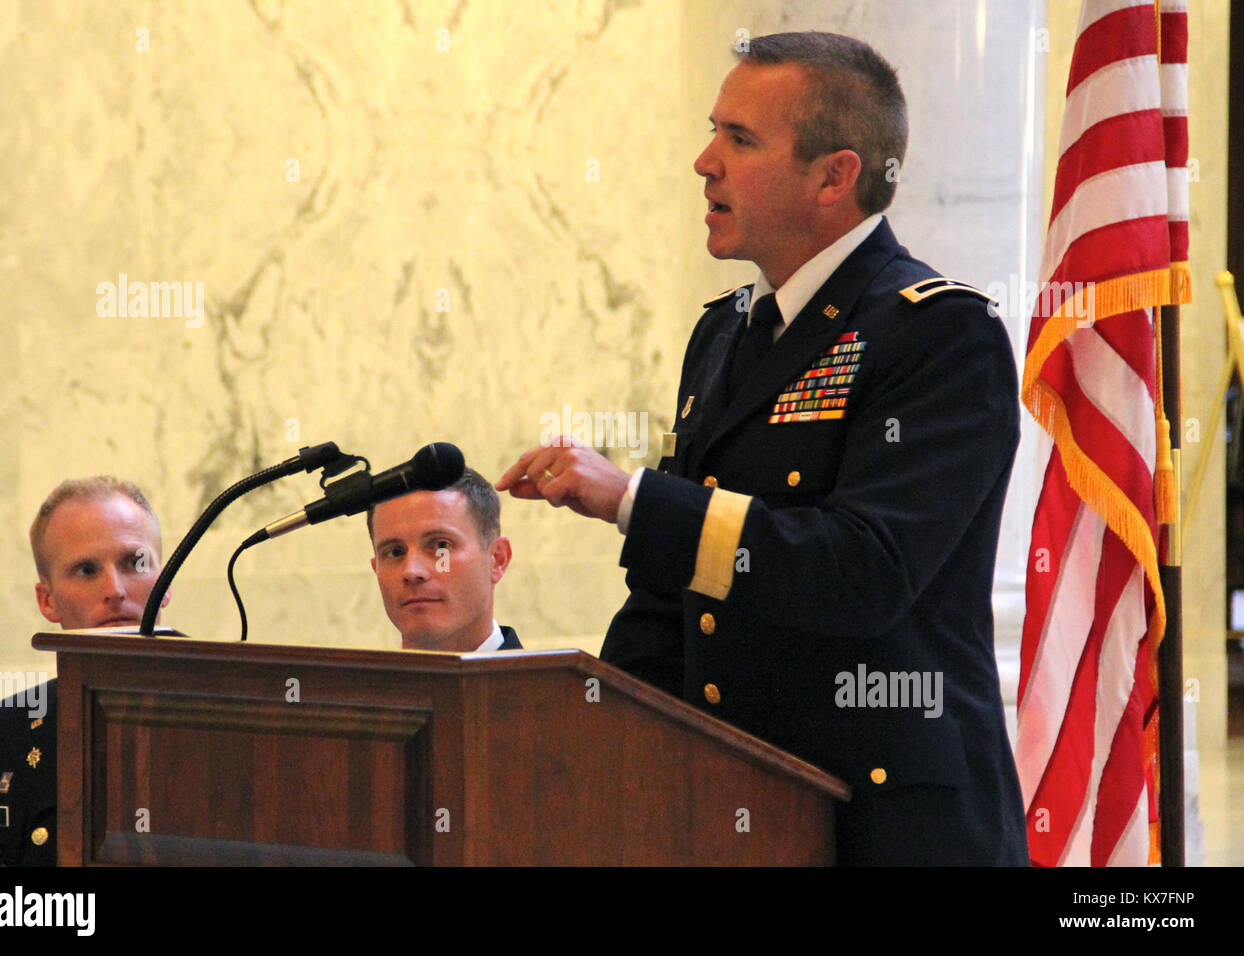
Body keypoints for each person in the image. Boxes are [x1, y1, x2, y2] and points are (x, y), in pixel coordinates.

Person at [497, 31, 1027, 865]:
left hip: (883, 820)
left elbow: (865, 572)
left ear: (834, 175)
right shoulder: (727, 334)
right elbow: (679, 598)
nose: (704, 161)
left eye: (739, 139)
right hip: (733, 804)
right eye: (713, 130)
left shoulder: (936, 330)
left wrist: (633, 499)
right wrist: (576, 731)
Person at [0, 476, 170, 865]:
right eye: (86, 570)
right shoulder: (1, 733)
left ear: (166, 584)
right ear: (47, 601)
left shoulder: (231, 714)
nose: (115, 589)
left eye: (136, 563)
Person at [368, 467, 520, 652]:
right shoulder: (347, 681)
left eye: (441, 545)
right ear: (376, 569)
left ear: (497, 559)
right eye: (395, 552)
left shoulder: (548, 681)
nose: (412, 571)